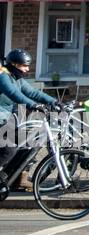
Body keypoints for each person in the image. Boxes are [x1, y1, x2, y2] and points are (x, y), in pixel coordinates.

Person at [0, 49, 60, 184]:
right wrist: (33, 105)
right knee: (9, 149)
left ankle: (13, 178)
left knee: (27, 143)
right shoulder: (3, 75)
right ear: (14, 64)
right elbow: (13, 93)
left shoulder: (17, 79)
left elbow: (33, 93)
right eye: (24, 66)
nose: (27, 69)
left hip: (6, 119)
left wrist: (54, 102)